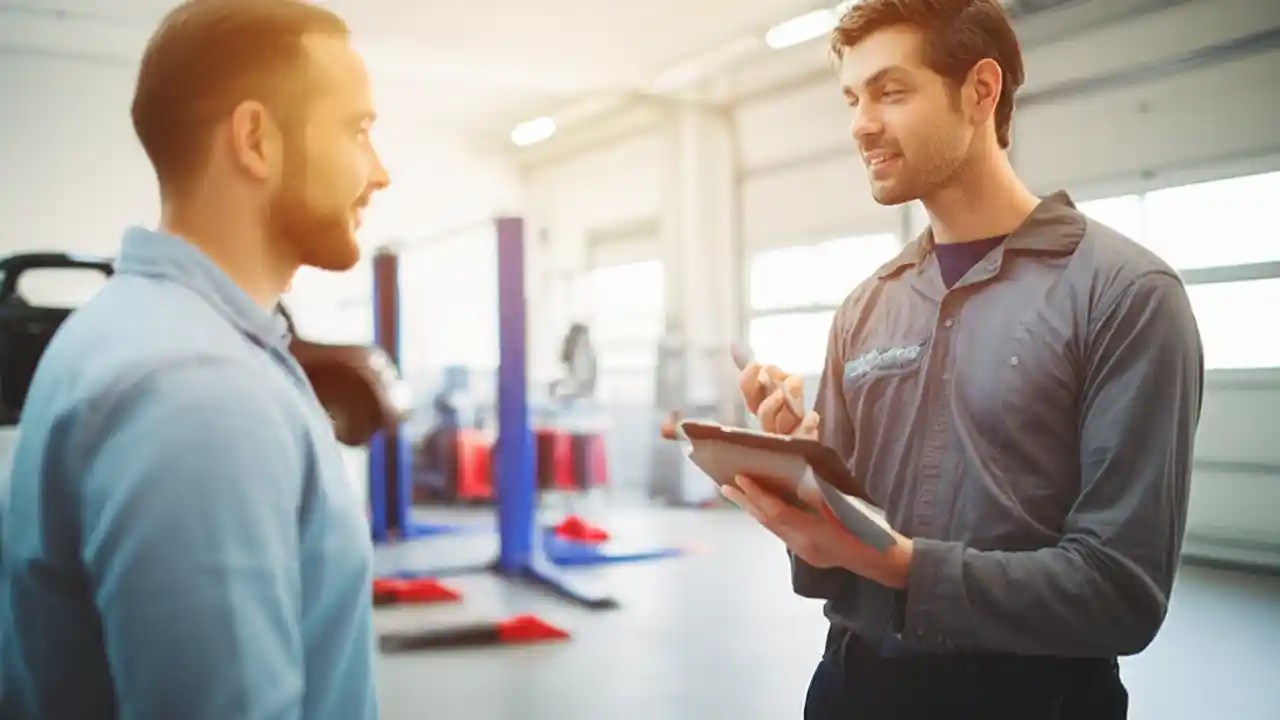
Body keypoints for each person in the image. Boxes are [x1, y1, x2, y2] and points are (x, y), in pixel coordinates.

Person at [725, 1, 1204, 718]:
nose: (860, 125)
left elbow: (1118, 592)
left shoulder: (1123, 294)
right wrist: (806, 480)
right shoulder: (864, 308)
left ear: (980, 91)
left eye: (890, 91)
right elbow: (831, 568)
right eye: (853, 99)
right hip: (853, 687)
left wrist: (899, 564)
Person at [0, 0, 390, 717]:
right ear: (256, 140)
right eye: (357, 131)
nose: (380, 172)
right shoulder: (198, 393)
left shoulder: (142, 333)